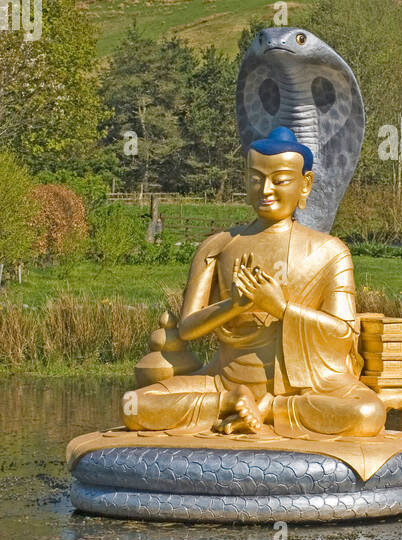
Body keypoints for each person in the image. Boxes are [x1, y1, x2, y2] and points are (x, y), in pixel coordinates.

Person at [122, 126, 385, 440]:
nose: (266, 190)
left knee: (368, 413)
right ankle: (229, 404)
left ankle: (271, 408)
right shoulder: (218, 246)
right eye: (256, 178)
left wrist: (282, 308)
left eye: (281, 180)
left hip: (305, 387)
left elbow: (343, 333)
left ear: (306, 184)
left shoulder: (330, 252)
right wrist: (233, 306)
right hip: (224, 379)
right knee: (132, 406)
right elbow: (188, 328)